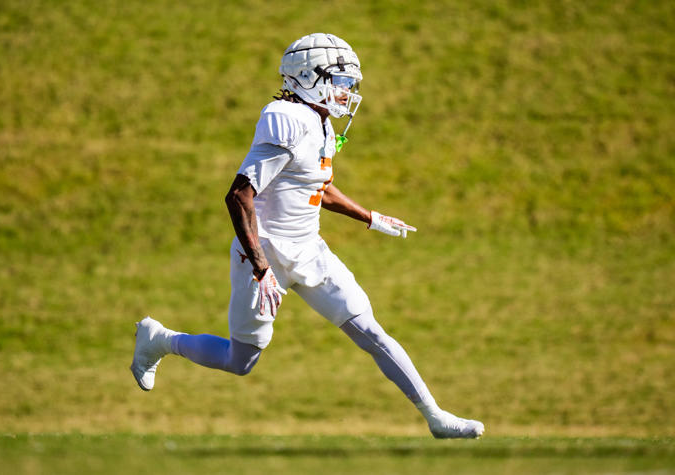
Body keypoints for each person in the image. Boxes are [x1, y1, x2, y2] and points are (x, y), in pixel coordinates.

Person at [130, 33, 484, 439]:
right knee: (240, 360)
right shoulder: (287, 119)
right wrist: (262, 268)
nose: (347, 92)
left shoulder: (320, 122)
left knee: (370, 330)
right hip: (264, 254)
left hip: (308, 249)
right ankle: (159, 340)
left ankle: (435, 416)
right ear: (307, 77)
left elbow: (315, 186)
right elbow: (240, 194)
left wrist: (370, 217)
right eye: (341, 81)